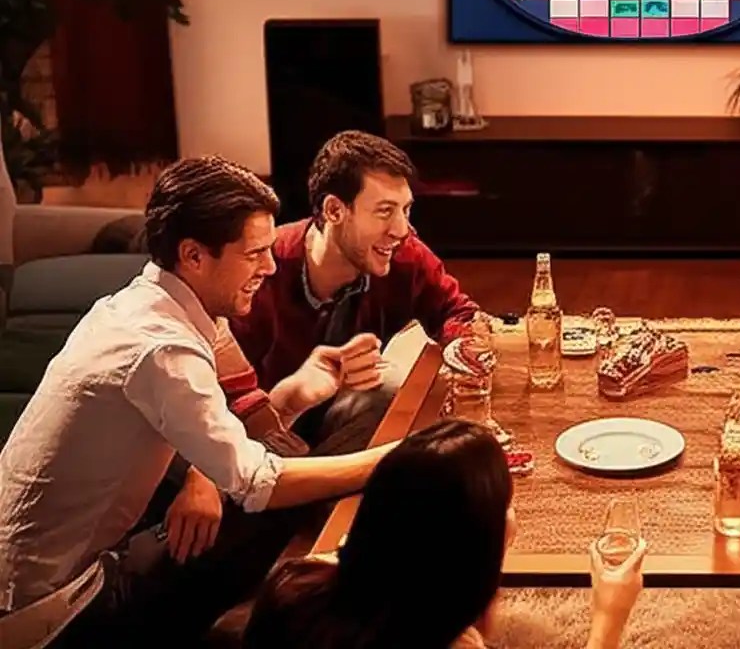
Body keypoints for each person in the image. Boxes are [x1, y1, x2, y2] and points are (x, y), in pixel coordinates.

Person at [0, 156, 402, 648]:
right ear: (193, 255)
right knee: (307, 491)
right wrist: (394, 462)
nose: (270, 267)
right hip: (48, 611)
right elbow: (258, 483)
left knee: (351, 431)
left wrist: (296, 395)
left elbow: (252, 427)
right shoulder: (161, 347)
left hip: (82, 563)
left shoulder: (157, 302)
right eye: (254, 254)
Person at [242, 419, 644, 649]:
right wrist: (609, 617)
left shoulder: (293, 584)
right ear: (464, 549)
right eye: (504, 507)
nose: (511, 519)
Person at [227, 129, 480, 449]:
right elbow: (219, 407)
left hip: (335, 418)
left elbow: (457, 311)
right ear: (334, 210)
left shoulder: (403, 254)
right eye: (385, 211)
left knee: (399, 394)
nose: (402, 230)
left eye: (406, 209)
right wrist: (278, 415)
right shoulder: (259, 271)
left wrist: (464, 346)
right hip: (256, 434)